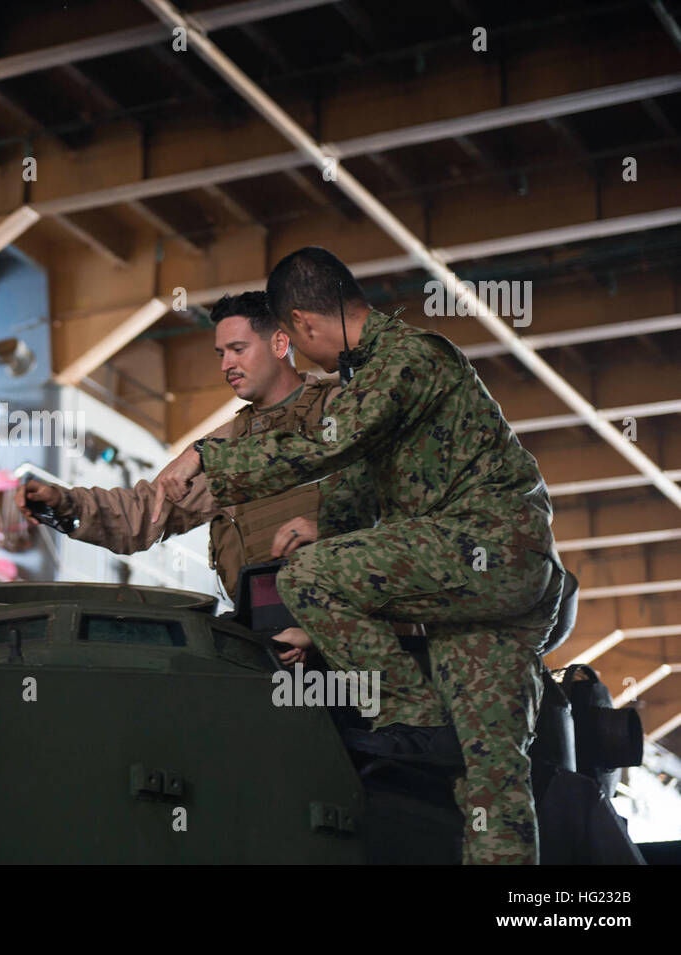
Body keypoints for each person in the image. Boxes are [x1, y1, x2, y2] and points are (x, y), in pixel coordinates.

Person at [152, 247, 565, 865]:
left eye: (291, 338)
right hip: (479, 593)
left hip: (490, 550)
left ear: (305, 324)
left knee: (312, 573)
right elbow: (356, 482)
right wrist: (319, 592)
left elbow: (325, 445)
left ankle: (410, 716)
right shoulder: (376, 379)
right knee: (490, 782)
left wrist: (207, 457)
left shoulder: (407, 359)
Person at [15, 291, 375, 605]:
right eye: (220, 353)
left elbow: (403, 500)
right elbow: (146, 515)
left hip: (356, 624)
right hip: (265, 633)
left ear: (280, 344)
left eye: (238, 349)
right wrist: (66, 505)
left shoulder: (344, 407)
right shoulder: (224, 442)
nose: (225, 365)